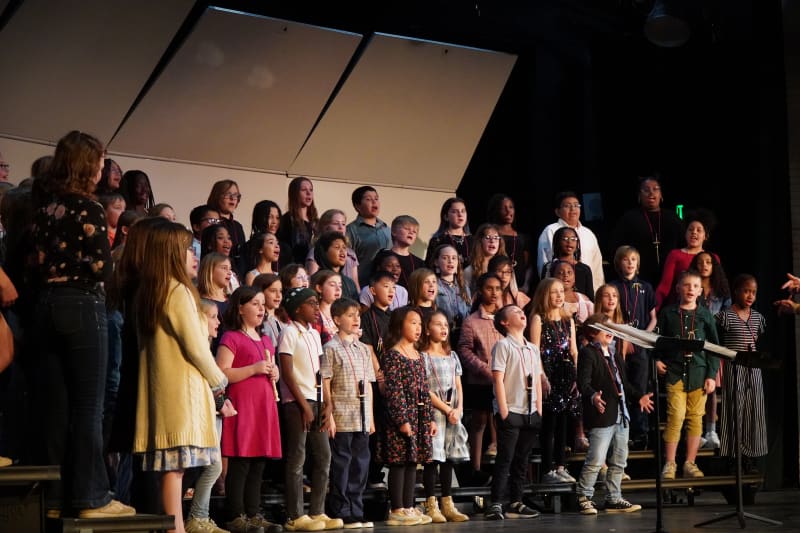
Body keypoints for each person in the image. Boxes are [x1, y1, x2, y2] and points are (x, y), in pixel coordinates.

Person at [30, 130, 133, 518]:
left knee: (55, 407)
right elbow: (103, 268)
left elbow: (36, 261)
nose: (104, 167)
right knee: (89, 405)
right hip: (82, 306)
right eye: (101, 160)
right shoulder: (87, 208)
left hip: (46, 306)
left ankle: (54, 499)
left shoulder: (45, 209)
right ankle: (91, 497)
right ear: (87, 164)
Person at [133, 221, 228, 532]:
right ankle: (176, 529)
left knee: (173, 469)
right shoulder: (177, 290)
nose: (194, 254)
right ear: (173, 252)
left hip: (166, 391)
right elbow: (196, 347)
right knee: (175, 469)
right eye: (189, 248)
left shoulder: (154, 289)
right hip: (182, 393)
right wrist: (219, 379)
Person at [217, 286, 283, 533]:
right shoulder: (231, 337)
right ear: (240, 308)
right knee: (241, 462)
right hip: (243, 406)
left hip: (264, 406)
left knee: (258, 462)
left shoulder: (266, 340)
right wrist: (254, 369)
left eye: (262, 304)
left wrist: (273, 371)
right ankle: (235, 514)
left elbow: (270, 370)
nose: (261, 308)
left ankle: (254, 513)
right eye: (255, 303)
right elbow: (221, 373)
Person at [574, 314, 653, 515]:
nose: (610, 332)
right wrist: (593, 397)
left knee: (620, 459)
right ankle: (584, 495)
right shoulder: (588, 353)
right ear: (593, 332)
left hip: (620, 414)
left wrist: (639, 397)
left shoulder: (615, 354)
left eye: (612, 329)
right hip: (603, 414)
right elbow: (583, 383)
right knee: (596, 458)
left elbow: (624, 385)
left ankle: (614, 498)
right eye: (605, 328)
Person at [278, 286, 341, 532]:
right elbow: (287, 372)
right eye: (311, 304)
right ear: (297, 309)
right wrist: (304, 406)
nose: (317, 308)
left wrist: (328, 403)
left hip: (316, 401)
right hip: (297, 402)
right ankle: (295, 515)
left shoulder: (314, 334)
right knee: (297, 457)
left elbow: (321, 372)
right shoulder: (289, 332)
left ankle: (317, 510)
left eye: (317, 303)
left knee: (323, 456)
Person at [655, 270, 720, 480]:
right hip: (675, 373)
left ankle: (690, 463)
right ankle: (670, 463)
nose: (690, 289)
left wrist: (711, 375)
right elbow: (657, 341)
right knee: (676, 416)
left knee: (695, 418)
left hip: (699, 375)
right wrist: (657, 359)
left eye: (695, 286)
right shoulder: (668, 313)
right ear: (678, 289)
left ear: (700, 291)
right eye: (686, 285)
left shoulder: (705, 316)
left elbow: (714, 348)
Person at [377, 306, 436, 527]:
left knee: (413, 461)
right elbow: (394, 391)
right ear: (400, 325)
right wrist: (402, 420)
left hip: (418, 416)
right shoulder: (393, 355)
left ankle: (409, 506)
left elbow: (425, 388)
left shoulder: (419, 356)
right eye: (413, 322)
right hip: (401, 418)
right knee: (399, 462)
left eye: (420, 324)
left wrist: (429, 417)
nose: (418, 328)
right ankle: (397, 508)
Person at [321, 297, 376, 529]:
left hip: (361, 416)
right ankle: (342, 510)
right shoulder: (330, 348)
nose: (356, 319)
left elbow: (369, 383)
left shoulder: (363, 348)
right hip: (342, 416)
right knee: (342, 463)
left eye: (358, 315)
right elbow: (326, 382)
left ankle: (357, 508)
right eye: (350, 315)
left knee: (360, 464)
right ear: (336, 319)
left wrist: (371, 416)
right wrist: (329, 414)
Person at [483, 305, 543, 520]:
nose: (521, 313)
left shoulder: (532, 348)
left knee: (522, 459)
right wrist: (504, 410)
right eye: (515, 311)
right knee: (505, 458)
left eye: (521, 311)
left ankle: (516, 501)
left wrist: (539, 409)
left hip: (531, 411)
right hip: (512, 409)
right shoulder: (503, 345)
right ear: (504, 322)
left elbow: (536, 379)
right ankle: (496, 502)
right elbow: (498, 378)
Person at [184, 299, 238, 533]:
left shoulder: (207, 347)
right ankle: (195, 517)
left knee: (214, 466)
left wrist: (222, 400)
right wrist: (220, 401)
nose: (218, 321)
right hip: (202, 413)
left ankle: (199, 518)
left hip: (213, 412)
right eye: (213, 316)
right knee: (208, 467)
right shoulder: (197, 349)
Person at [420, 310, 470, 523]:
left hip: (452, 414)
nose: (443, 329)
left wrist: (458, 409)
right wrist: (446, 410)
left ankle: (447, 502)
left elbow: (458, 385)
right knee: (433, 458)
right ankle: (431, 504)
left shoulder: (453, 356)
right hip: (435, 414)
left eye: (445, 325)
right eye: (438, 324)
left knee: (448, 459)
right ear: (427, 329)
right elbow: (426, 389)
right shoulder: (423, 356)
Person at [528, 277, 579, 484]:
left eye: (561, 292)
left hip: (566, 374)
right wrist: (542, 376)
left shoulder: (569, 320)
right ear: (545, 295)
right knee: (549, 425)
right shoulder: (538, 319)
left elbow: (574, 350)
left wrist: (575, 376)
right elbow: (534, 350)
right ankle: (548, 469)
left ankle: (561, 466)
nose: (559, 296)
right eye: (554, 292)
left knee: (563, 425)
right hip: (548, 374)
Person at [716, 274, 768, 474]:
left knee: (753, 411)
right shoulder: (724, 316)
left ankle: (749, 457)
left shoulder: (758, 318)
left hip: (753, 369)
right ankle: (733, 457)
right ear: (736, 291)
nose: (750, 295)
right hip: (734, 368)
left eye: (753, 292)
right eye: (746, 291)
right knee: (734, 410)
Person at [609, 245, 657, 450]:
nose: (630, 263)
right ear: (619, 263)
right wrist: (623, 337)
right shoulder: (613, 287)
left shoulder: (646, 287)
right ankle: (621, 428)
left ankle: (640, 431)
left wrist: (640, 337)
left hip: (640, 344)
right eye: (625, 259)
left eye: (633, 260)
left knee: (639, 385)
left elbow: (653, 317)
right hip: (619, 343)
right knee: (621, 383)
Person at [457, 273, 504, 479]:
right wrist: (485, 368)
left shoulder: (506, 318)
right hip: (480, 380)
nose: (494, 293)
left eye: (498, 289)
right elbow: (465, 350)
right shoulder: (472, 321)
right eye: (489, 288)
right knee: (479, 422)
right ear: (480, 291)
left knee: (502, 421)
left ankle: (502, 470)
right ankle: (475, 470)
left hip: (504, 380)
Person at [608, 174, 684, 287]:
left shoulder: (673, 218)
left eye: (655, 189)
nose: (651, 193)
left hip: (671, 278)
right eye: (646, 190)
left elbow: (684, 246)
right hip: (639, 278)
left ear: (661, 195)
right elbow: (617, 250)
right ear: (639, 195)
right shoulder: (629, 218)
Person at [689, 250, 731, 449]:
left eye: (709, 262)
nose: (704, 265)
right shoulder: (692, 288)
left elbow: (726, 317)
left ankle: (711, 431)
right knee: (695, 389)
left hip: (713, 344)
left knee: (711, 387)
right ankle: (694, 432)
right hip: (694, 343)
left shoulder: (721, 292)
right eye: (700, 262)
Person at [358, 269, 395, 490]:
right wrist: (380, 377)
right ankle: (371, 474)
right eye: (385, 286)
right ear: (372, 290)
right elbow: (370, 349)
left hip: (395, 380)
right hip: (376, 381)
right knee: (375, 428)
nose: (390, 291)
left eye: (393, 287)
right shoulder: (366, 317)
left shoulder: (396, 317)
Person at [536, 190, 604, 292]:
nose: (573, 209)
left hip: (586, 288)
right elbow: (544, 263)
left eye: (576, 205)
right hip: (559, 289)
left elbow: (597, 265)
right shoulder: (551, 230)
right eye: (567, 206)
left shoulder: (588, 233)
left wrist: (598, 291)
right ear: (557, 211)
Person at [655, 208, 719, 311]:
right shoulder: (675, 254)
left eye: (699, 230)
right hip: (678, 310)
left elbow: (718, 287)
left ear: (705, 236)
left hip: (706, 312)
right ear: (685, 234)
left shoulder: (713, 258)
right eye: (690, 229)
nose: (694, 232)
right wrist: (654, 310)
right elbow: (664, 287)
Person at [345, 186, 392, 288]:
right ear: (358, 206)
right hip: (363, 287)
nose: (374, 202)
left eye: (376, 198)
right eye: (368, 199)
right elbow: (348, 264)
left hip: (387, 288)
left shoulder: (387, 229)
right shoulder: (351, 231)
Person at [486, 193, 533, 293]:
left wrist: (526, 285)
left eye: (511, 207)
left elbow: (528, 266)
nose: (508, 211)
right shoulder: (490, 236)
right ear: (496, 211)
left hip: (519, 290)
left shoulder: (523, 238)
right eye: (504, 208)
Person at [305, 208, 359, 290]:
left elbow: (355, 282)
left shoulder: (351, 253)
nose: (341, 227)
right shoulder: (316, 251)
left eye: (343, 224)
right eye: (336, 223)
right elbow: (312, 279)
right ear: (325, 227)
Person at [430, 244, 471, 345]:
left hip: (463, 336)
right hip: (442, 337)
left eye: (454, 258)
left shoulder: (464, 287)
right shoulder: (433, 285)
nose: (450, 261)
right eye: (445, 258)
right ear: (436, 262)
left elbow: (469, 311)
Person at [207, 180, 248, 279]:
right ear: (217, 196)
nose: (232, 198)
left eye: (236, 195)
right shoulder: (211, 222)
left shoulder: (238, 226)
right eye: (228, 194)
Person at [541, 226, 595, 301]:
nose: (569, 242)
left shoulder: (584, 269)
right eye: (565, 239)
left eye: (573, 239)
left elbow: (590, 297)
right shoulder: (549, 267)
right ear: (558, 242)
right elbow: (543, 293)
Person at [278, 177, 319, 265]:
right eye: (304, 190)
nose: (309, 193)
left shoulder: (316, 222)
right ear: (295, 194)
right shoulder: (287, 220)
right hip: (296, 268)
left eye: (311, 190)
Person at [424, 197, 473, 265]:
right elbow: (429, 268)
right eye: (454, 212)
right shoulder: (437, 241)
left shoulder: (474, 240)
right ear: (446, 217)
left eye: (463, 211)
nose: (460, 215)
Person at [312, 231, 359, 301]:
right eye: (337, 247)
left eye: (344, 247)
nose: (342, 251)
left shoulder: (349, 282)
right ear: (324, 252)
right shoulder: (316, 280)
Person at [463, 223, 506, 296]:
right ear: (480, 241)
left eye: (496, 238)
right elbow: (465, 297)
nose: (492, 241)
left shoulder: (506, 266)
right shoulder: (469, 271)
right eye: (488, 237)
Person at [250, 199, 292, 270]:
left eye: (277, 218)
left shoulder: (285, 249)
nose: (274, 222)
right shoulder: (249, 248)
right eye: (270, 217)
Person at [388, 215, 424, 289]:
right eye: (407, 229)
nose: (411, 232)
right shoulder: (384, 257)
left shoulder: (420, 263)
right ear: (394, 231)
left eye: (415, 231)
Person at [310, 269, 343, 346]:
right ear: (319, 288)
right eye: (332, 285)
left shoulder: (342, 313)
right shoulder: (315, 315)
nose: (338, 289)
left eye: (340, 286)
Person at [252, 273, 284, 349]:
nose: (278, 295)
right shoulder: (259, 322)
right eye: (273, 291)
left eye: (280, 291)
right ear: (261, 293)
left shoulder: (283, 318)